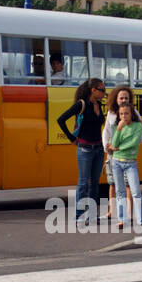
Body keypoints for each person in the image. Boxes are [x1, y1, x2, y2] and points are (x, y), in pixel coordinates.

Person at [57, 77, 106, 216]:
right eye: (102, 90)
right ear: (93, 90)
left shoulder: (99, 104)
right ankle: (78, 215)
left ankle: (91, 214)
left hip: (99, 149)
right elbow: (61, 119)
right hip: (85, 149)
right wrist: (71, 138)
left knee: (95, 184)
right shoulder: (81, 104)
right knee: (83, 183)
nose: (104, 93)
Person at [102, 85, 142, 218]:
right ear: (116, 99)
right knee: (112, 184)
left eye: (126, 97)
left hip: (126, 156)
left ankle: (130, 213)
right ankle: (113, 211)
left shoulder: (134, 113)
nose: (123, 100)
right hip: (112, 155)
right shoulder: (111, 114)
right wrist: (106, 146)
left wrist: (126, 147)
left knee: (128, 185)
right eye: (121, 98)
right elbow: (106, 132)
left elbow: (141, 134)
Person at [109, 101, 142, 227]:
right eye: (121, 114)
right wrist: (118, 130)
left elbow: (134, 143)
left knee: (136, 191)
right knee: (120, 192)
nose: (124, 116)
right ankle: (122, 219)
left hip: (130, 163)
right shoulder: (117, 126)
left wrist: (118, 148)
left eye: (126, 113)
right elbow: (114, 143)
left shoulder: (138, 126)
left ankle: (141, 220)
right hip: (116, 162)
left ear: (132, 114)